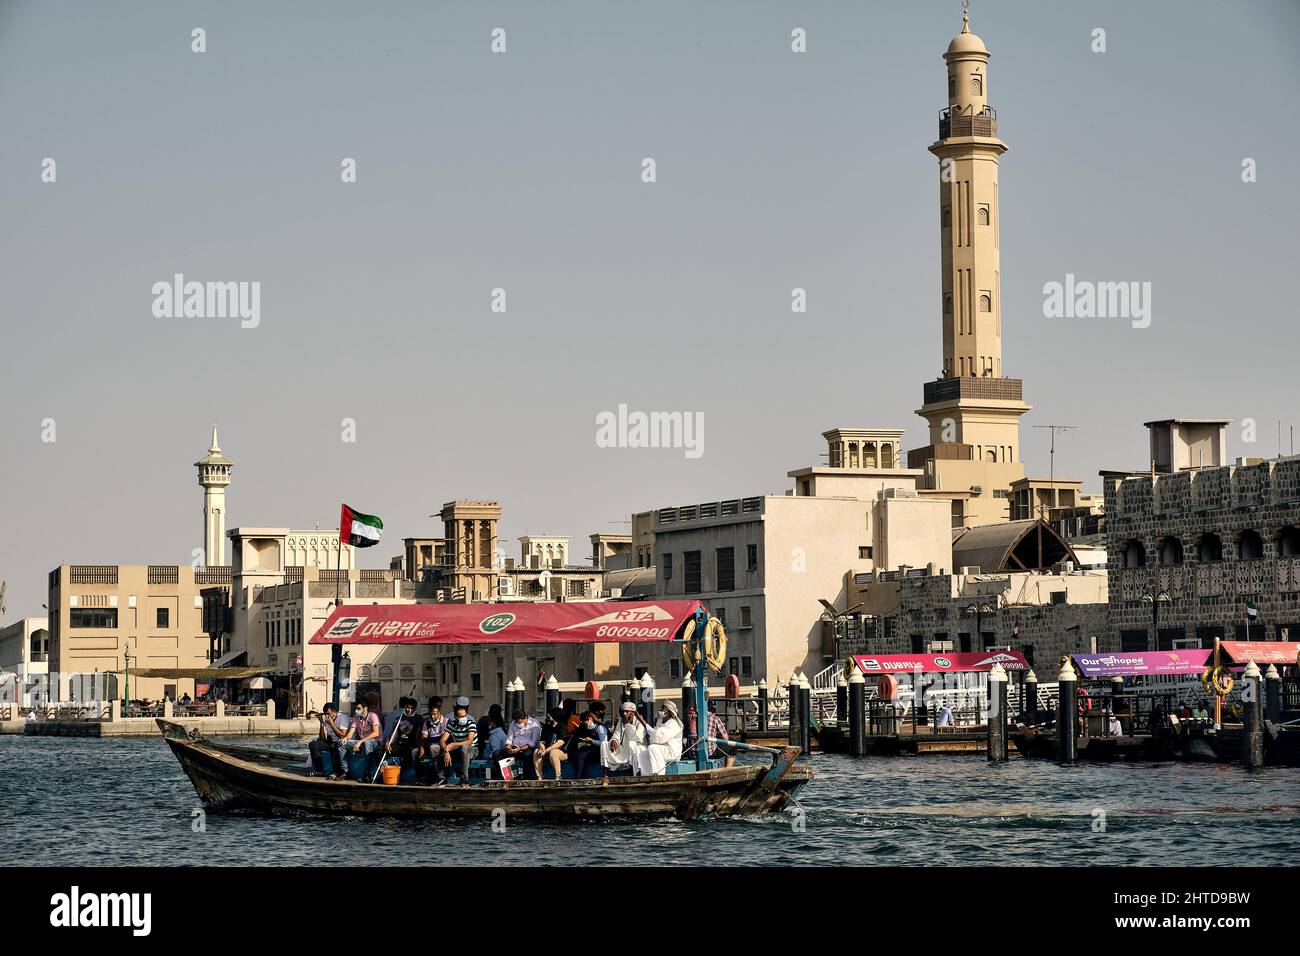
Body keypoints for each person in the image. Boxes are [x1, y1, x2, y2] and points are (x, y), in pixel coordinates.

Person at [633, 700, 683, 776]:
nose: (661, 710)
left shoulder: (673, 724)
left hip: (672, 751)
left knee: (653, 748)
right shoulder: (660, 721)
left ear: (669, 711)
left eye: (663, 708)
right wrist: (641, 720)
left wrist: (642, 720)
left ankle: (659, 774)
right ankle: (644, 774)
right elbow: (654, 733)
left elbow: (660, 737)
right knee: (639, 748)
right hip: (661, 748)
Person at [338, 698, 382, 779]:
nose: (356, 710)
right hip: (362, 742)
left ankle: (367, 772)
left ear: (365, 708)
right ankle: (345, 771)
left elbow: (376, 733)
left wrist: (360, 742)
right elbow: (351, 733)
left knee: (367, 743)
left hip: (374, 743)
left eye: (358, 708)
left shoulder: (373, 716)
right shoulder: (356, 718)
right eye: (356, 708)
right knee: (341, 743)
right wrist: (345, 738)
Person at [600, 702, 645, 776]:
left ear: (633, 713)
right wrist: (614, 740)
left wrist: (627, 724)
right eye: (623, 711)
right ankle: (605, 773)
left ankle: (634, 771)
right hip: (623, 748)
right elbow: (616, 735)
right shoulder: (621, 720)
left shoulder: (639, 722)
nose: (624, 713)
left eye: (627, 711)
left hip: (635, 747)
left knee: (632, 743)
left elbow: (637, 738)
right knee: (604, 744)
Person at [440, 696, 477, 785]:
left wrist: (452, 744)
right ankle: (441, 777)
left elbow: (469, 741)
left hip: (472, 749)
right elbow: (442, 740)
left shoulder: (471, 724)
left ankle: (464, 779)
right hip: (459, 749)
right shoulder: (451, 724)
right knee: (439, 749)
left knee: (464, 748)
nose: (464, 718)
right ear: (456, 717)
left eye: (465, 716)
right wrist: (446, 751)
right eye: (461, 717)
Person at [384, 697, 422, 776]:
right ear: (405, 707)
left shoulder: (418, 718)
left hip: (411, 746)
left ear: (415, 709)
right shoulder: (399, 718)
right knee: (382, 750)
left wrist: (421, 747)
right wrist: (387, 743)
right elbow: (393, 733)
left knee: (408, 758)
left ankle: (395, 772)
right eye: (408, 707)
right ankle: (385, 769)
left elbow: (419, 735)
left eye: (412, 708)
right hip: (399, 744)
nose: (409, 710)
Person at [308, 702, 347, 778]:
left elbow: (342, 736)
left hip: (342, 742)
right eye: (325, 714)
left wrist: (331, 724)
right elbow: (323, 739)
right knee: (313, 744)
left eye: (329, 714)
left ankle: (337, 772)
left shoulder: (342, 717)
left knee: (335, 745)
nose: (327, 716)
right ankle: (319, 770)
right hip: (331, 742)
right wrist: (322, 723)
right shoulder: (327, 720)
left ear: (334, 712)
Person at [500, 709, 542, 778]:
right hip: (514, 747)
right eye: (516, 722)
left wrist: (520, 749)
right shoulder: (513, 723)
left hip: (528, 748)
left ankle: (526, 777)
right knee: (497, 754)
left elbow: (533, 742)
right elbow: (510, 739)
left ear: (525, 718)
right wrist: (508, 747)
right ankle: (510, 776)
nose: (518, 724)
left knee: (527, 754)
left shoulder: (534, 723)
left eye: (520, 722)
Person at [534, 708, 571, 780]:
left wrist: (546, 750)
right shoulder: (546, 726)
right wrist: (542, 748)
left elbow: (560, 743)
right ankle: (539, 776)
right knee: (536, 752)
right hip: (546, 750)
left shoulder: (562, 726)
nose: (547, 718)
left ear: (555, 717)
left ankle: (558, 776)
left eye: (549, 717)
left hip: (562, 751)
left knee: (553, 752)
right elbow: (542, 741)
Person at [570, 710, 608, 778]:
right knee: (576, 754)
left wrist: (591, 741)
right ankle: (582, 775)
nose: (584, 724)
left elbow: (604, 743)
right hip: (593, 750)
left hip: (601, 753)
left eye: (585, 722)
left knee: (581, 755)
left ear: (590, 719)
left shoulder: (600, 728)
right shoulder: (587, 728)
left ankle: (578, 777)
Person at [421, 696, 448, 782]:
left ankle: (440, 776)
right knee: (415, 752)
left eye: (434, 714)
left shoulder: (446, 722)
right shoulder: (427, 723)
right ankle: (421, 776)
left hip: (443, 747)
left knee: (433, 748)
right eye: (431, 714)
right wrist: (422, 747)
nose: (432, 717)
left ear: (439, 712)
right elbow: (424, 737)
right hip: (431, 746)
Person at [704, 700, 737, 768]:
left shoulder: (694, 718)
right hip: (709, 753)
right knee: (732, 746)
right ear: (714, 709)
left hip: (693, 753)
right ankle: (727, 769)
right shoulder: (714, 718)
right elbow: (726, 739)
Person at [482, 712, 508, 777]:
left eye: (489, 722)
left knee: (487, 775)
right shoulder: (499, 732)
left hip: (492, 762)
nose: (488, 724)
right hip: (493, 760)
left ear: (493, 723)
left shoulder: (496, 735)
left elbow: (495, 751)